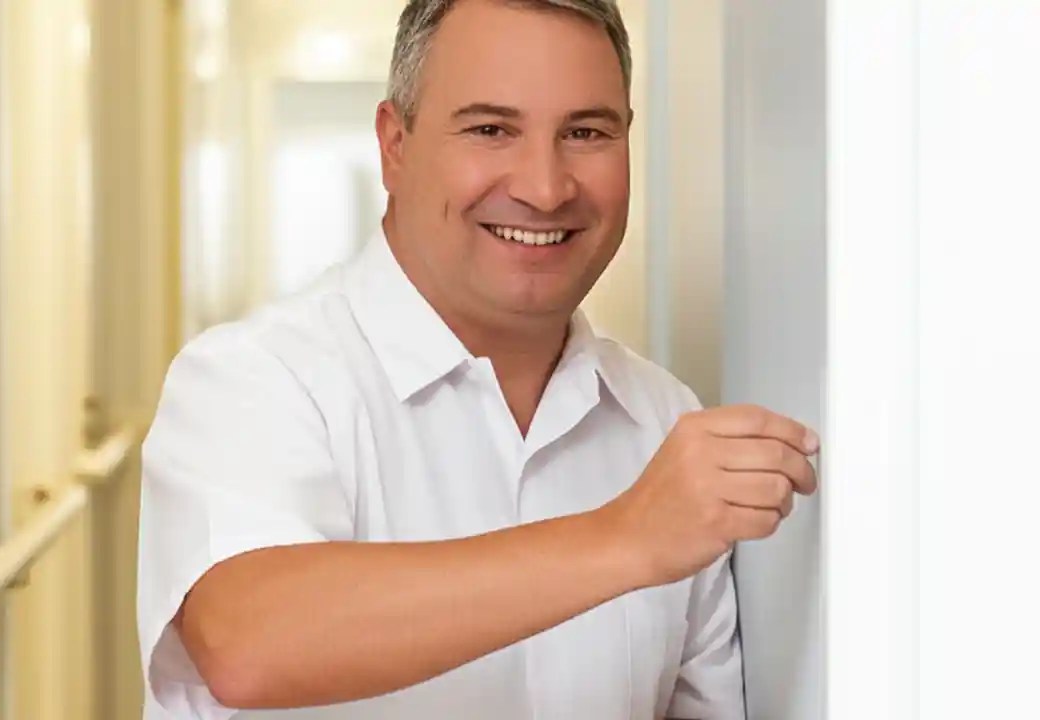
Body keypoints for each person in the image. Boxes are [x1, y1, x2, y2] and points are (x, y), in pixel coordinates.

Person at [137, 0, 819, 718]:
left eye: (585, 132)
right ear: (394, 144)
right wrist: (626, 537)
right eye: (491, 129)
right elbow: (251, 643)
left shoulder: (665, 421)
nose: (544, 187)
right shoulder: (251, 379)